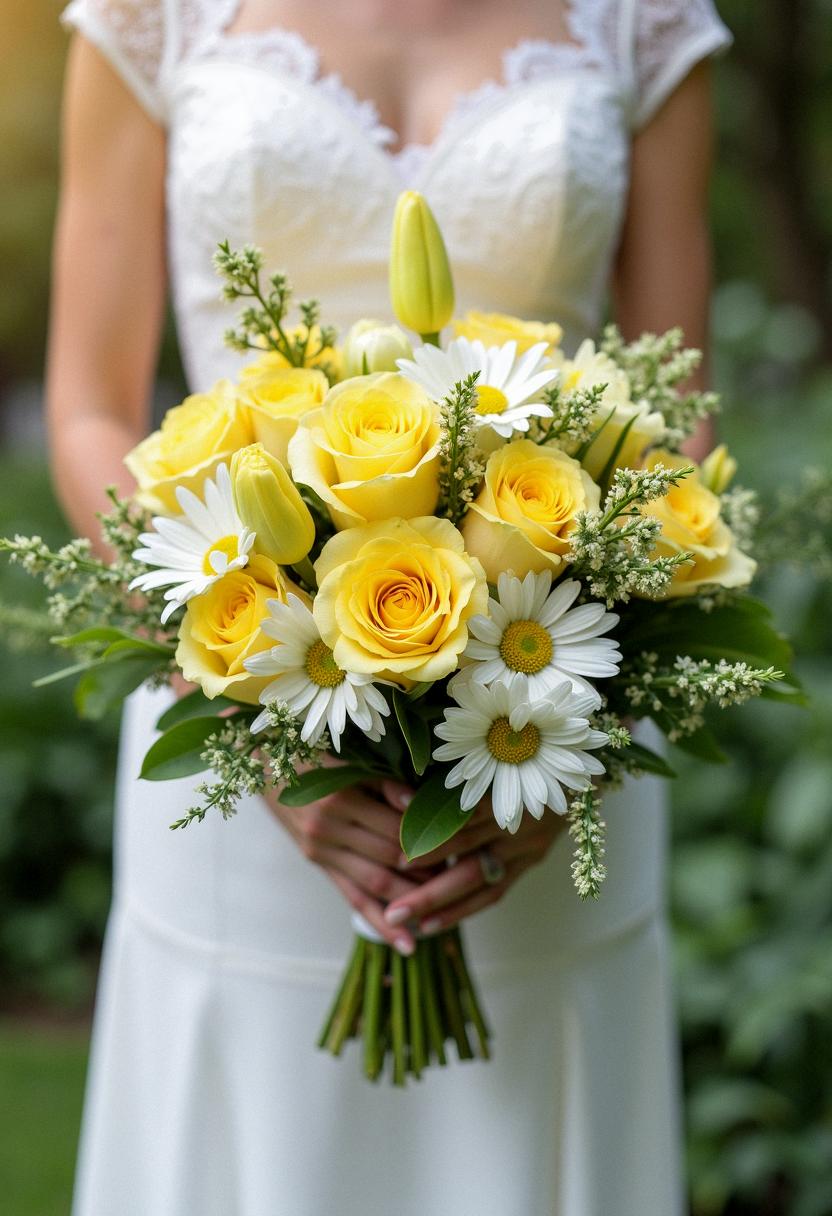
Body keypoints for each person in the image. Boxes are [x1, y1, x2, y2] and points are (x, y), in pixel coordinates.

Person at [48, 2, 731, 1212]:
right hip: (236, 724)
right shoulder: (149, 19)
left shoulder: (644, 22)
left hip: (548, 752)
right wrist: (256, 711)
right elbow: (92, 404)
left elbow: (675, 415)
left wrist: (567, 746)